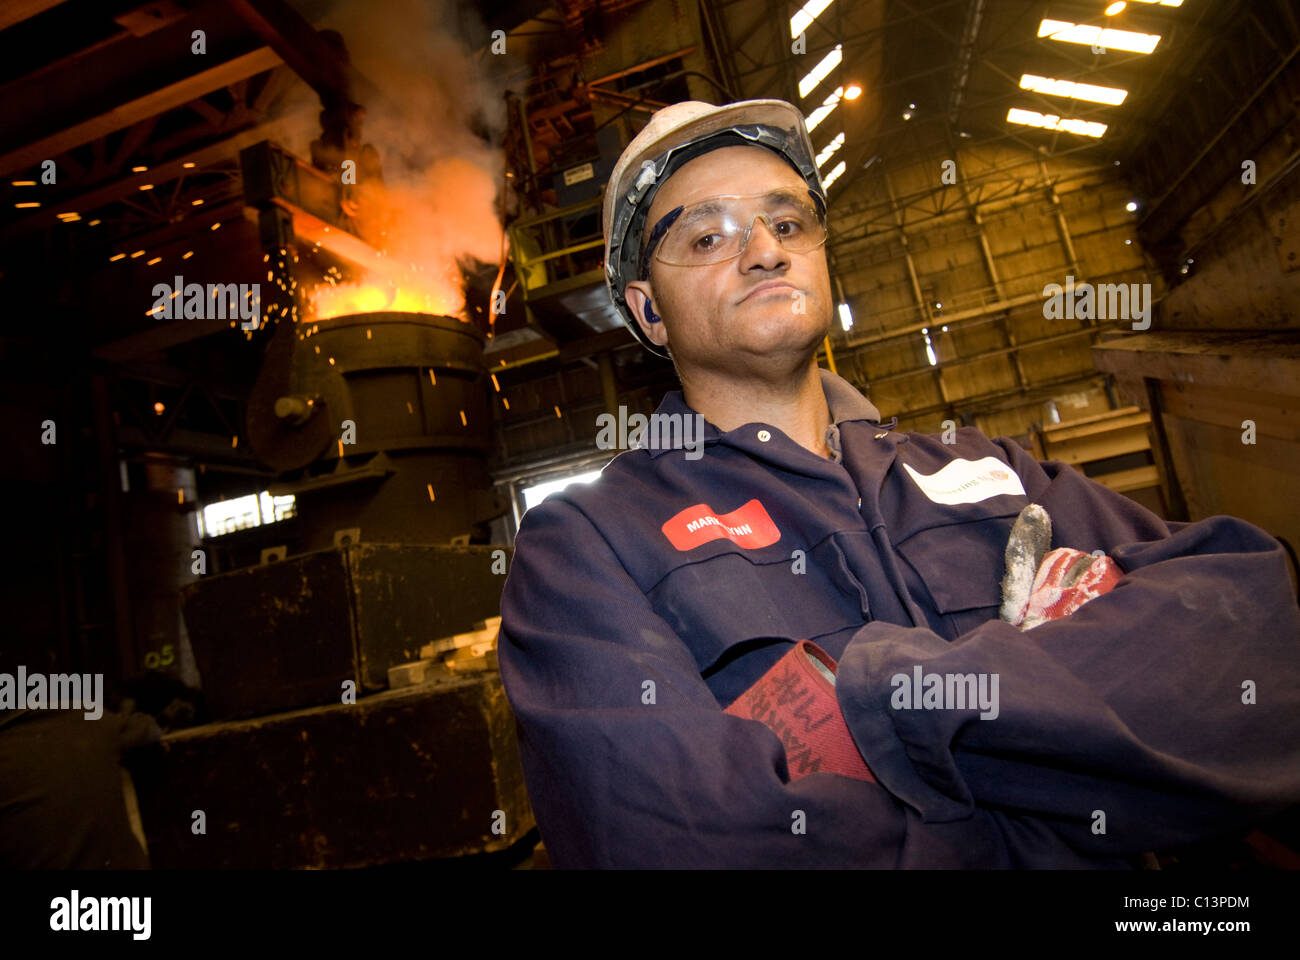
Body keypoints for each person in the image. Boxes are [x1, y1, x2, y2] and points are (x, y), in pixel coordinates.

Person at [496, 98, 1300, 868]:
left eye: (786, 222)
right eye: (707, 239)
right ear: (648, 311)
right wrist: (1062, 816)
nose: (766, 250)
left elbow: (1257, 630)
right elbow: (679, 845)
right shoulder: (590, 547)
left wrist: (902, 705)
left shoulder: (985, 469)